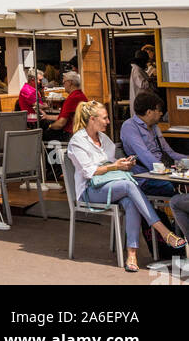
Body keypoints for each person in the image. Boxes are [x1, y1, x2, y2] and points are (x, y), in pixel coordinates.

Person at [68, 100, 185, 272]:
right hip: (89, 190)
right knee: (130, 186)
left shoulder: (105, 139)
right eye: (105, 118)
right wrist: (115, 166)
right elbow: (89, 172)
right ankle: (163, 231)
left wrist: (122, 164)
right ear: (92, 119)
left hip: (112, 185)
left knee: (131, 201)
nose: (108, 122)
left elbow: (110, 165)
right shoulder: (77, 141)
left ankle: (132, 254)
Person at [120, 90, 189, 244]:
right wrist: (171, 172)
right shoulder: (130, 127)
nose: (161, 113)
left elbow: (169, 152)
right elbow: (146, 157)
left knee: (183, 191)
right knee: (180, 193)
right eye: (159, 110)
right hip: (146, 179)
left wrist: (186, 160)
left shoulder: (154, 127)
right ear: (149, 111)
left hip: (164, 173)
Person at [43, 71, 87, 140]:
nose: (63, 85)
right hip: (78, 133)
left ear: (70, 82)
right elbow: (64, 117)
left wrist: (50, 126)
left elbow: (61, 123)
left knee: (43, 135)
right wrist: (47, 116)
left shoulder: (72, 98)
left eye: (64, 82)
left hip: (70, 135)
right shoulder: (80, 95)